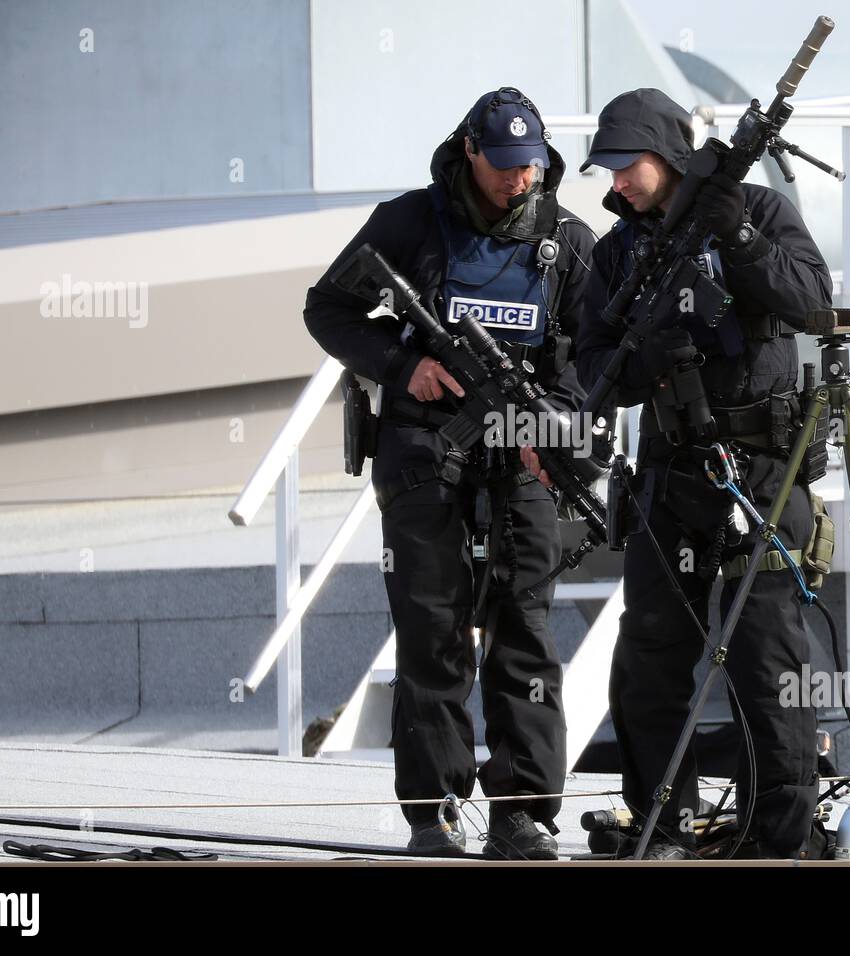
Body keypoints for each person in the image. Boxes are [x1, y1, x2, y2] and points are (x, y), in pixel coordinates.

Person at [303, 88, 595, 859]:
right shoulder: (408, 222)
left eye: (530, 167)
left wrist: (555, 426)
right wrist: (405, 366)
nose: (518, 181)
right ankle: (430, 815)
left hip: (522, 448)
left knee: (524, 628)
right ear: (469, 150)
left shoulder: (567, 240)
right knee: (431, 630)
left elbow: (593, 354)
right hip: (427, 446)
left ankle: (522, 813)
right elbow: (327, 309)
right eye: (503, 166)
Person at [566, 88, 833, 859]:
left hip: (765, 470)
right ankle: (659, 823)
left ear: (668, 155)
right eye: (606, 170)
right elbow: (591, 368)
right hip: (671, 475)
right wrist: (643, 363)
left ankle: (778, 837)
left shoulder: (759, 208)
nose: (613, 183)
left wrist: (739, 237)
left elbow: (813, 302)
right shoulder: (618, 253)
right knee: (651, 650)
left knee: (765, 652)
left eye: (625, 166)